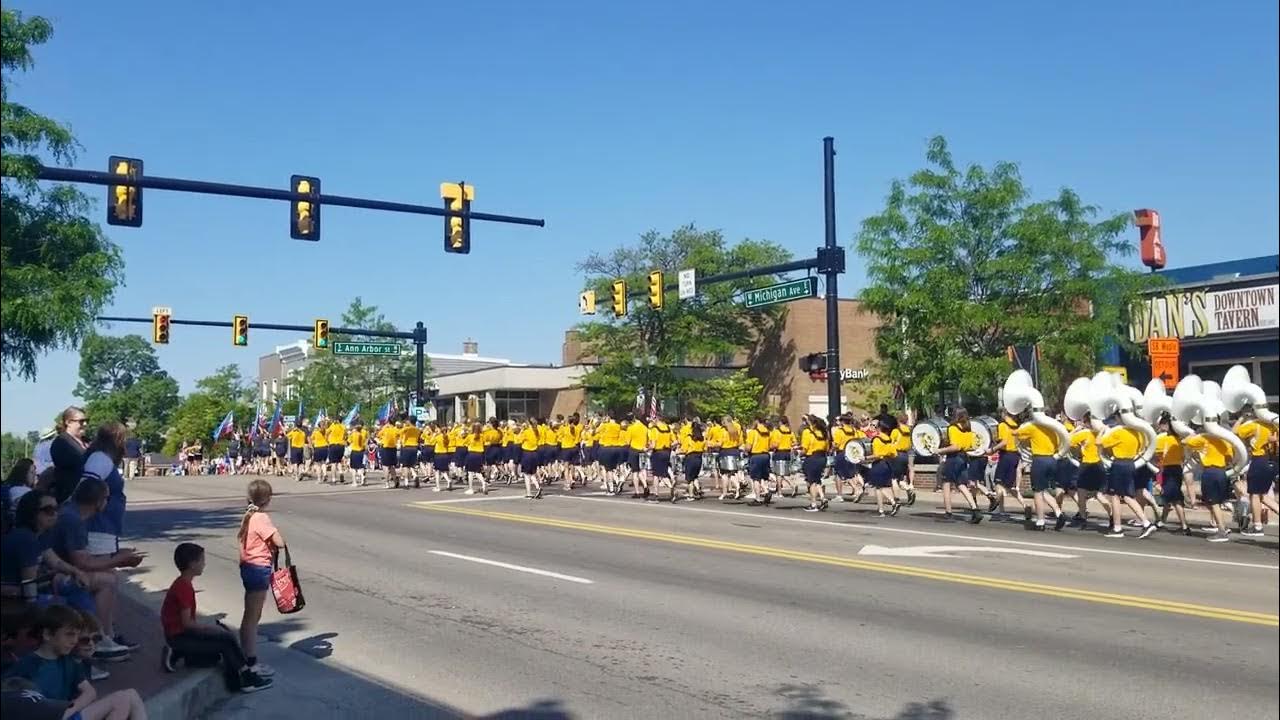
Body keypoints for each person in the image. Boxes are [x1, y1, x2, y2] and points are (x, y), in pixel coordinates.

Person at [48, 478, 145, 661]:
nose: (108, 502)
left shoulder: (72, 514)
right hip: (53, 576)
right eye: (107, 498)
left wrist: (119, 559)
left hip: (60, 571)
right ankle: (101, 639)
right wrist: (118, 559)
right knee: (109, 580)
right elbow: (82, 562)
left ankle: (106, 633)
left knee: (109, 574)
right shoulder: (73, 520)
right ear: (99, 501)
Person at [161, 542, 272, 692]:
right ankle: (246, 678)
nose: (204, 564)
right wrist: (209, 629)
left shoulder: (183, 583)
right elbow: (187, 624)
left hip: (180, 634)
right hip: (178, 636)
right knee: (225, 641)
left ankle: (180, 653)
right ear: (192, 564)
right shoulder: (183, 588)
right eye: (202, 560)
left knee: (216, 653)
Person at [4, 605, 148, 719]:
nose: (74, 641)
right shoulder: (27, 665)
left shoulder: (68, 661)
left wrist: (67, 712)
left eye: (77, 636)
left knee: (130, 695)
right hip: (47, 715)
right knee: (120, 699)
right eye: (69, 634)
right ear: (47, 635)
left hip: (63, 714)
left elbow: (90, 692)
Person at [0, 491, 95, 617]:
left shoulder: (39, 534)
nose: (55, 514)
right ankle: (89, 631)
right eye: (49, 510)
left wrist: (76, 572)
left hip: (24, 592)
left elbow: (55, 561)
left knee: (76, 588)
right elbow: (30, 589)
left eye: (57, 509)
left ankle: (91, 631)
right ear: (32, 513)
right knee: (68, 606)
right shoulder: (26, 539)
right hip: (12, 601)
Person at [237, 480, 283, 678]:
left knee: (250, 615)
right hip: (258, 568)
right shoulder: (261, 518)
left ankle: (246, 655)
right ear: (268, 499)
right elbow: (279, 541)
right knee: (252, 617)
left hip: (248, 566)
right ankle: (250, 660)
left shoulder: (248, 516)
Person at [82, 422, 129, 559]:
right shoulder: (100, 459)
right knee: (103, 573)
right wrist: (99, 505)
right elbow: (88, 486)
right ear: (117, 439)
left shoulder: (101, 458)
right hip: (98, 526)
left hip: (103, 525)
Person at [49, 407, 89, 504]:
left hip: (88, 498)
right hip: (70, 498)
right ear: (68, 422)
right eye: (81, 421)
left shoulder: (87, 441)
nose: (85, 424)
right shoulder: (61, 443)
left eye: (87, 421)